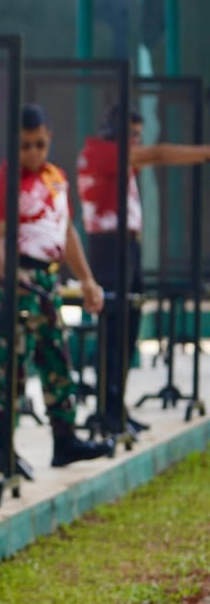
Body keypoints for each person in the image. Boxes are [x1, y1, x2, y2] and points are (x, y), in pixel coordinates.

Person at [0, 104, 113, 467]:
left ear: (49, 139)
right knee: (13, 367)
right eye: (25, 146)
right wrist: (11, 279)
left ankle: (65, 439)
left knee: (56, 358)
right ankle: (2, 446)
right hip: (17, 280)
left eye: (40, 144)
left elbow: (66, 230)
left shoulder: (56, 177)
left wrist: (86, 279)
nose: (34, 153)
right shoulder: (1, 182)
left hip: (47, 279)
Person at [78, 103, 210, 435]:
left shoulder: (117, 156)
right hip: (110, 247)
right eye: (132, 135)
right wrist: (204, 153)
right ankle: (108, 411)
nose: (137, 142)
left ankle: (116, 407)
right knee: (114, 328)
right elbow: (160, 154)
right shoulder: (102, 152)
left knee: (128, 328)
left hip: (125, 247)